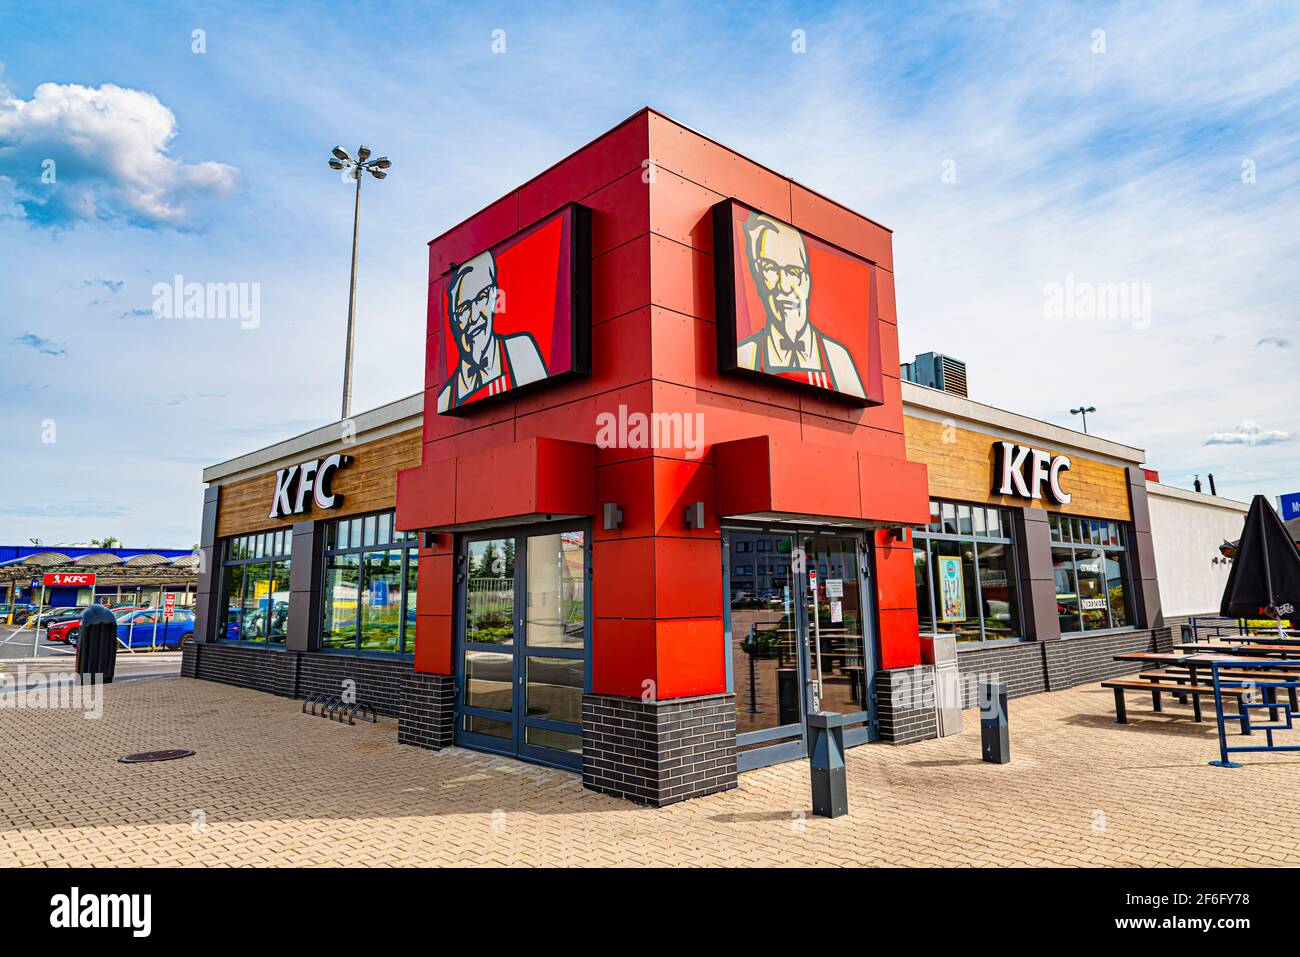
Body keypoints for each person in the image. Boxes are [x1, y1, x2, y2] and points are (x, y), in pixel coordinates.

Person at [736, 212, 865, 398]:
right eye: (770, 268)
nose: (784, 285)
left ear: (806, 280)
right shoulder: (745, 355)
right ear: (757, 276)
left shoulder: (838, 359)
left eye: (792, 270)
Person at [437, 249, 547, 411]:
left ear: (495, 298)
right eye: (464, 308)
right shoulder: (446, 398)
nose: (474, 316)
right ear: (454, 320)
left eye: (482, 297)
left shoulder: (521, 352)